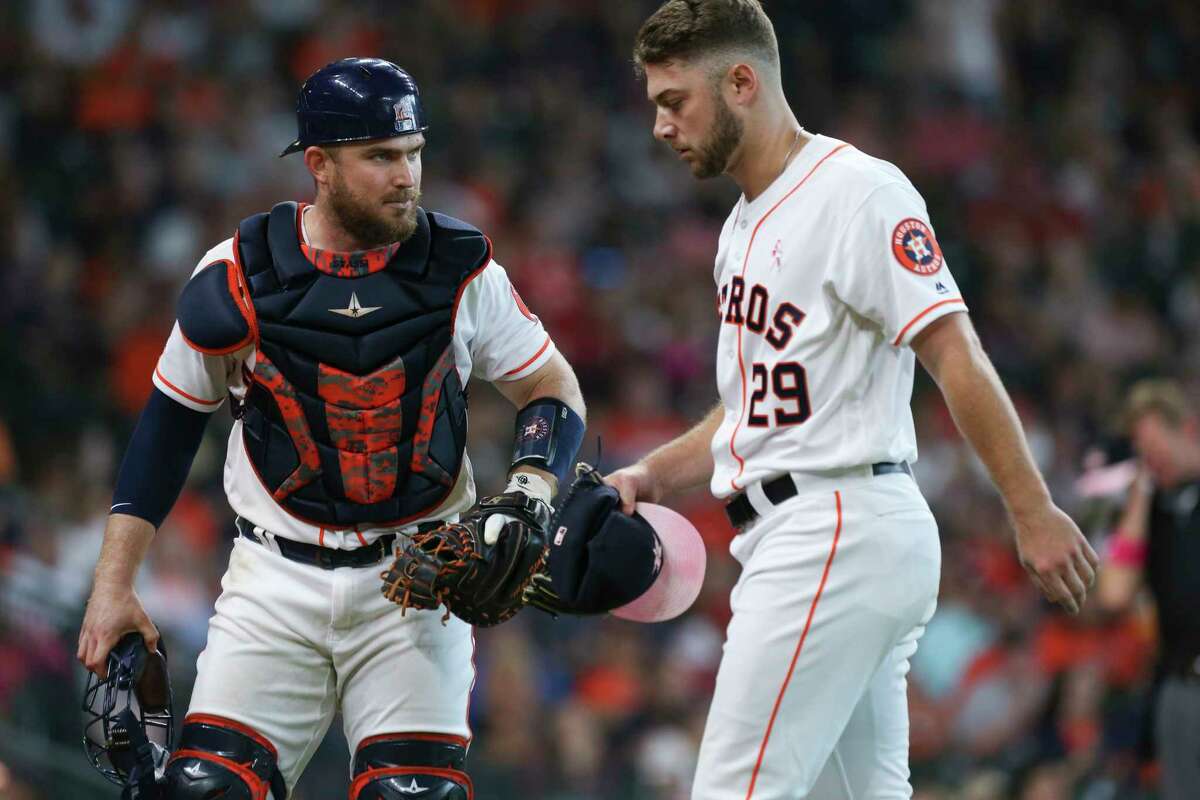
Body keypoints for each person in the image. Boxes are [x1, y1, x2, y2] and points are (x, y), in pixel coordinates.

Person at [606, 2, 1099, 798]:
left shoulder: (859, 192)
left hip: (832, 526)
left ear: (741, 81)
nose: (661, 125)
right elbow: (751, 413)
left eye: (674, 100)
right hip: (820, 530)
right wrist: (654, 476)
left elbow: (955, 353)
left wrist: (1031, 507)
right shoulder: (740, 225)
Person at [76, 57, 586, 800]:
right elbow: (166, 429)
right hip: (273, 583)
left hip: (417, 583)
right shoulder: (239, 275)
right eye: (380, 156)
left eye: (412, 153)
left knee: (412, 794)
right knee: (205, 790)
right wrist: (112, 584)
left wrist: (534, 486)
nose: (406, 175)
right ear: (319, 164)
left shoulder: (462, 269)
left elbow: (551, 386)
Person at [1097, 379, 1200, 800]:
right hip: (1182, 686)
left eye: (1155, 447)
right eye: (1142, 453)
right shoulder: (1149, 513)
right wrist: (1139, 499)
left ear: (1188, 429)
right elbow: (1114, 594)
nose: (1150, 461)